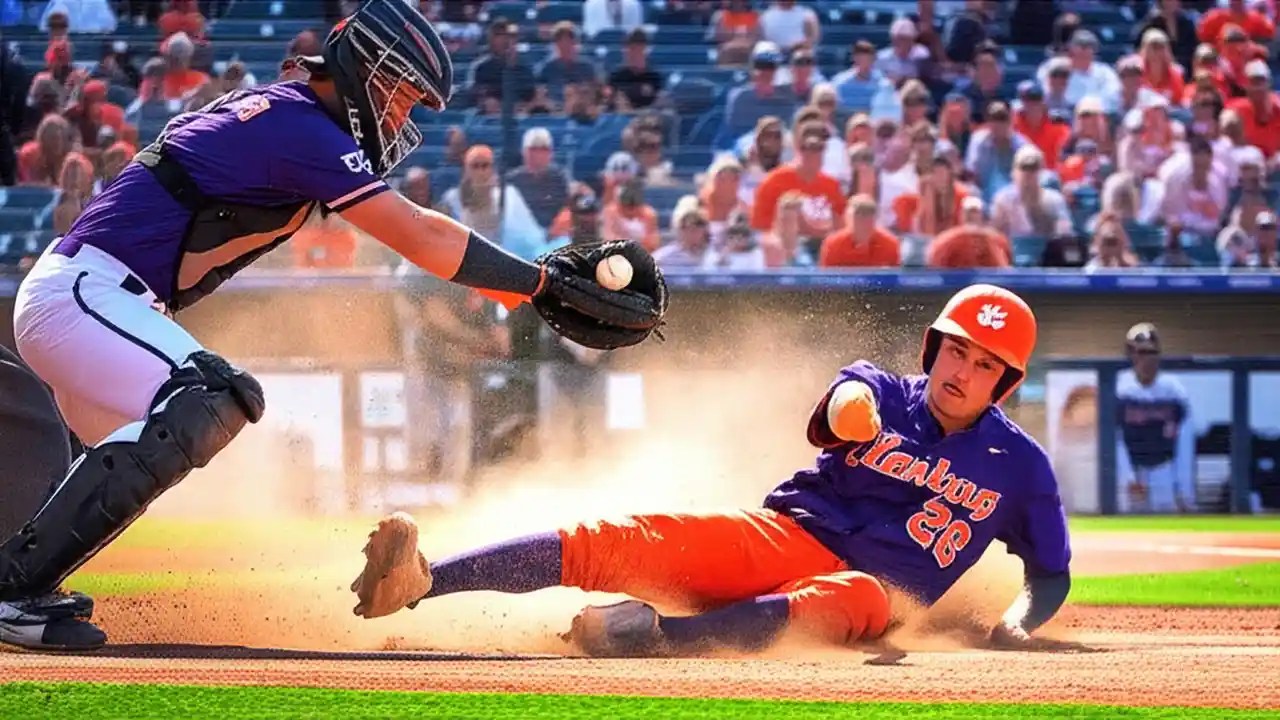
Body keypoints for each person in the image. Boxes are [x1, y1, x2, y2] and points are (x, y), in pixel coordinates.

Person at [0, 0, 665, 652]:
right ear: (367, 71)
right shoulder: (302, 127)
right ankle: (16, 590)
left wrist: (531, 291)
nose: (404, 119)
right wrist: (542, 283)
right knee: (212, 396)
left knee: (131, 448)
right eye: (403, 97)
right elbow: (418, 235)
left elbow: (426, 241)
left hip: (98, 299)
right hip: (87, 293)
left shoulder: (293, 118)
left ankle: (22, 581)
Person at [351, 284, 1073, 659]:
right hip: (786, 535)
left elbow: (1050, 576)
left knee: (855, 595)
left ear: (1004, 382)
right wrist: (850, 406)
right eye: (957, 350)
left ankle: (654, 635)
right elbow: (841, 406)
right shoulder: (884, 391)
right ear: (934, 348)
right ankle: (423, 581)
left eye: (985, 364)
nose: (964, 370)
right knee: (622, 538)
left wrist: (1016, 621)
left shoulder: (1023, 470)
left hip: (869, 596)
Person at [1116, 324, 1195, 514]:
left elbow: (1185, 441)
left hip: (1164, 469)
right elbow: (1115, 440)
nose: (1147, 359)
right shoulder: (1119, 387)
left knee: (1168, 518)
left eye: (1152, 352)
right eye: (1141, 352)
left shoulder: (1175, 389)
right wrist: (1128, 477)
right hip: (1132, 468)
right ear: (1131, 354)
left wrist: (1183, 486)